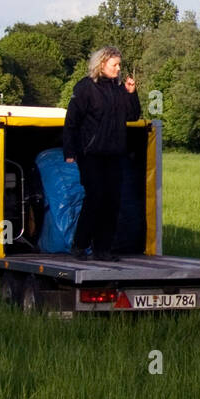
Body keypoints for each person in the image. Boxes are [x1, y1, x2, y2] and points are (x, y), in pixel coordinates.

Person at [63, 46, 141, 261]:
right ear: (102, 64)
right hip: (91, 153)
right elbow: (72, 122)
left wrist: (131, 94)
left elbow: (133, 115)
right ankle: (80, 245)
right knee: (95, 197)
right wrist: (69, 151)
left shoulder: (118, 90)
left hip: (114, 153)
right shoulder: (85, 88)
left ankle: (103, 249)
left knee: (112, 201)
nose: (118, 68)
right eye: (114, 64)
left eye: (119, 65)